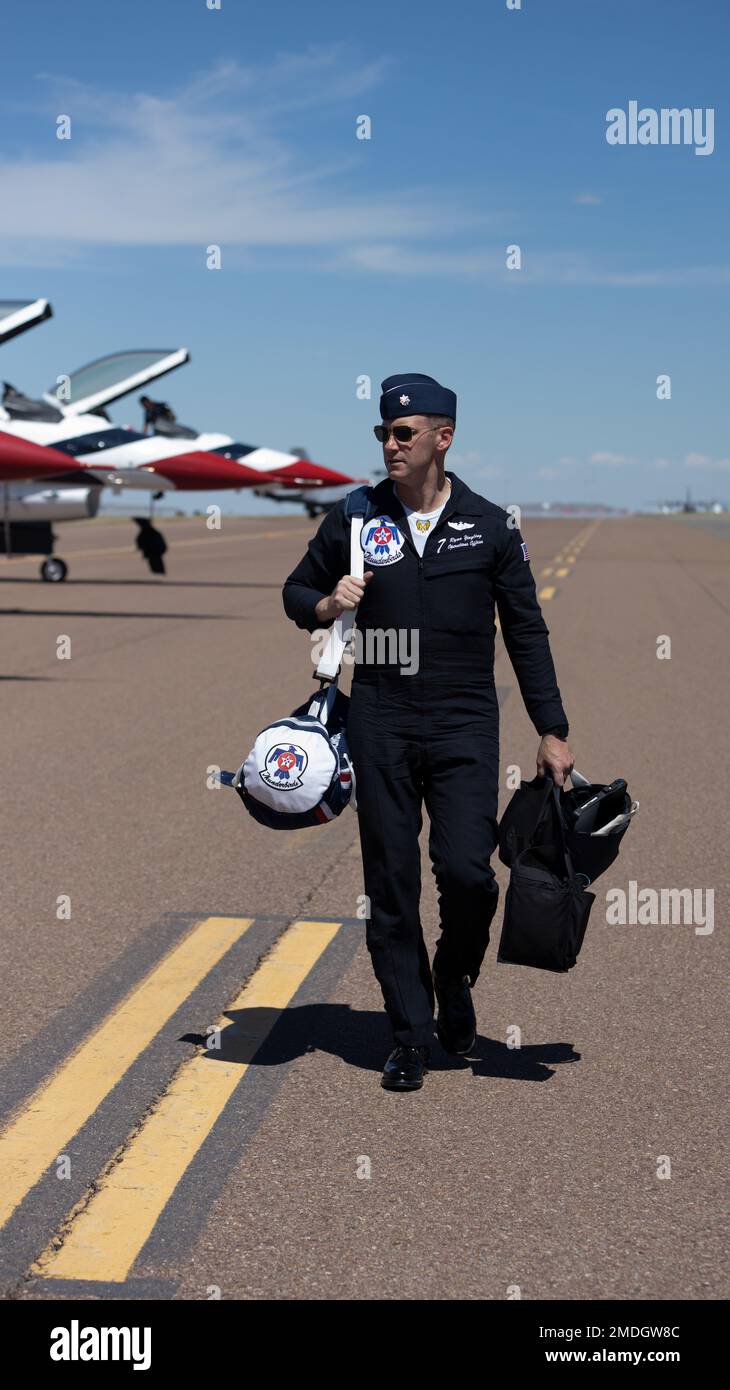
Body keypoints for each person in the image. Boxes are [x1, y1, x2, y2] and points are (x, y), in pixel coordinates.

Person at [282, 373, 573, 1091]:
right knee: (391, 881)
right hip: (379, 714)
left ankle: (454, 969)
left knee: (469, 872)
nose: (390, 444)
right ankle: (409, 1033)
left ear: (443, 438)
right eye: (383, 433)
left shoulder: (491, 524)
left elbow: (526, 632)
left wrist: (552, 728)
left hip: (465, 718)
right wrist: (326, 601)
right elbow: (294, 593)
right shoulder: (355, 517)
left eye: (403, 433)